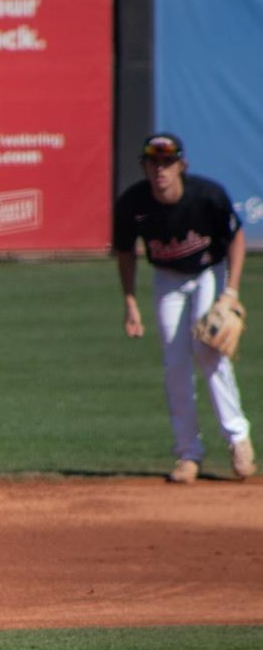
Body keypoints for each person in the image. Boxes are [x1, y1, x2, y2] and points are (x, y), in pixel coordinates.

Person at [113, 132, 254, 483]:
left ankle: (238, 439)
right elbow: (126, 252)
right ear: (144, 166)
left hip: (209, 272)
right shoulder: (134, 204)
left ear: (181, 165)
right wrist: (130, 301)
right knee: (175, 363)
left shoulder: (206, 196)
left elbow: (236, 238)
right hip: (167, 279)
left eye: (167, 161)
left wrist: (231, 292)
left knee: (208, 351)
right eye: (153, 162)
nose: (160, 169)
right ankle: (188, 454)